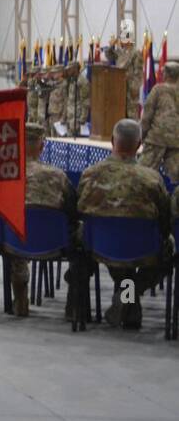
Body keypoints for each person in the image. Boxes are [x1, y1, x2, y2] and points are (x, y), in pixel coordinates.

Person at [77, 118, 172, 329]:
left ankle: (121, 299)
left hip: (99, 247)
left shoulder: (90, 174)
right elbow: (165, 222)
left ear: (112, 141)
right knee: (168, 251)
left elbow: (78, 210)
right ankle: (130, 295)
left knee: (98, 244)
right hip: (143, 248)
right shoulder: (152, 179)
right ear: (139, 145)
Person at [5, 124, 76, 317]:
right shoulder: (57, 176)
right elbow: (73, 209)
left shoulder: (6, 175)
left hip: (15, 242)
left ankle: (20, 297)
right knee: (81, 239)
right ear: (42, 146)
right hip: (54, 244)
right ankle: (74, 306)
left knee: (13, 229)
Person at [139, 62, 179, 183]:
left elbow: (147, 116)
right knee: (176, 176)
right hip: (176, 140)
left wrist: (142, 135)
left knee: (144, 174)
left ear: (165, 74)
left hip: (157, 138)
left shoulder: (158, 89)